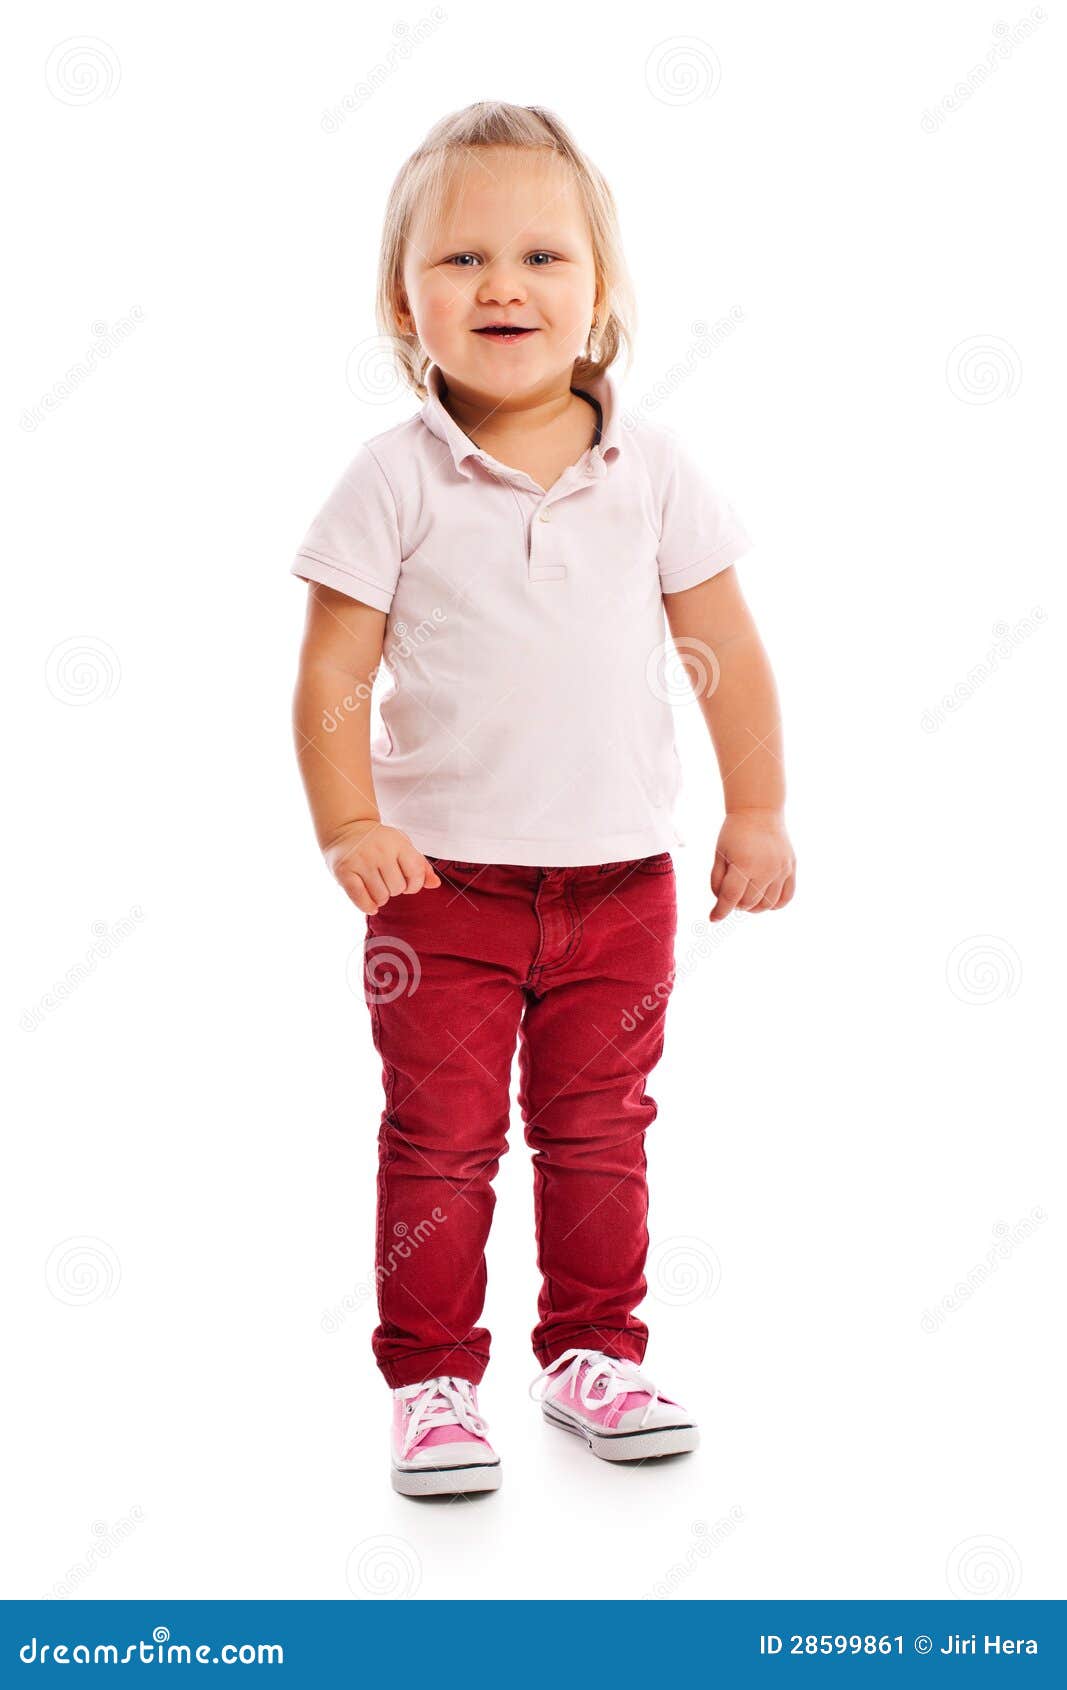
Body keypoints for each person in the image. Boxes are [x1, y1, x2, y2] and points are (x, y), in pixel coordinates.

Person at [290, 101, 795, 1498]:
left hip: (621, 883)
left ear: (601, 291)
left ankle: (591, 1350)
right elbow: (331, 666)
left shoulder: (655, 467)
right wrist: (348, 822)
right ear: (405, 301)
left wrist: (754, 810)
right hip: (439, 887)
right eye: (459, 261)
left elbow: (727, 648)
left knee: (599, 1128)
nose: (503, 286)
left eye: (541, 257)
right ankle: (435, 1377)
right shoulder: (392, 478)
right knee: (440, 1139)